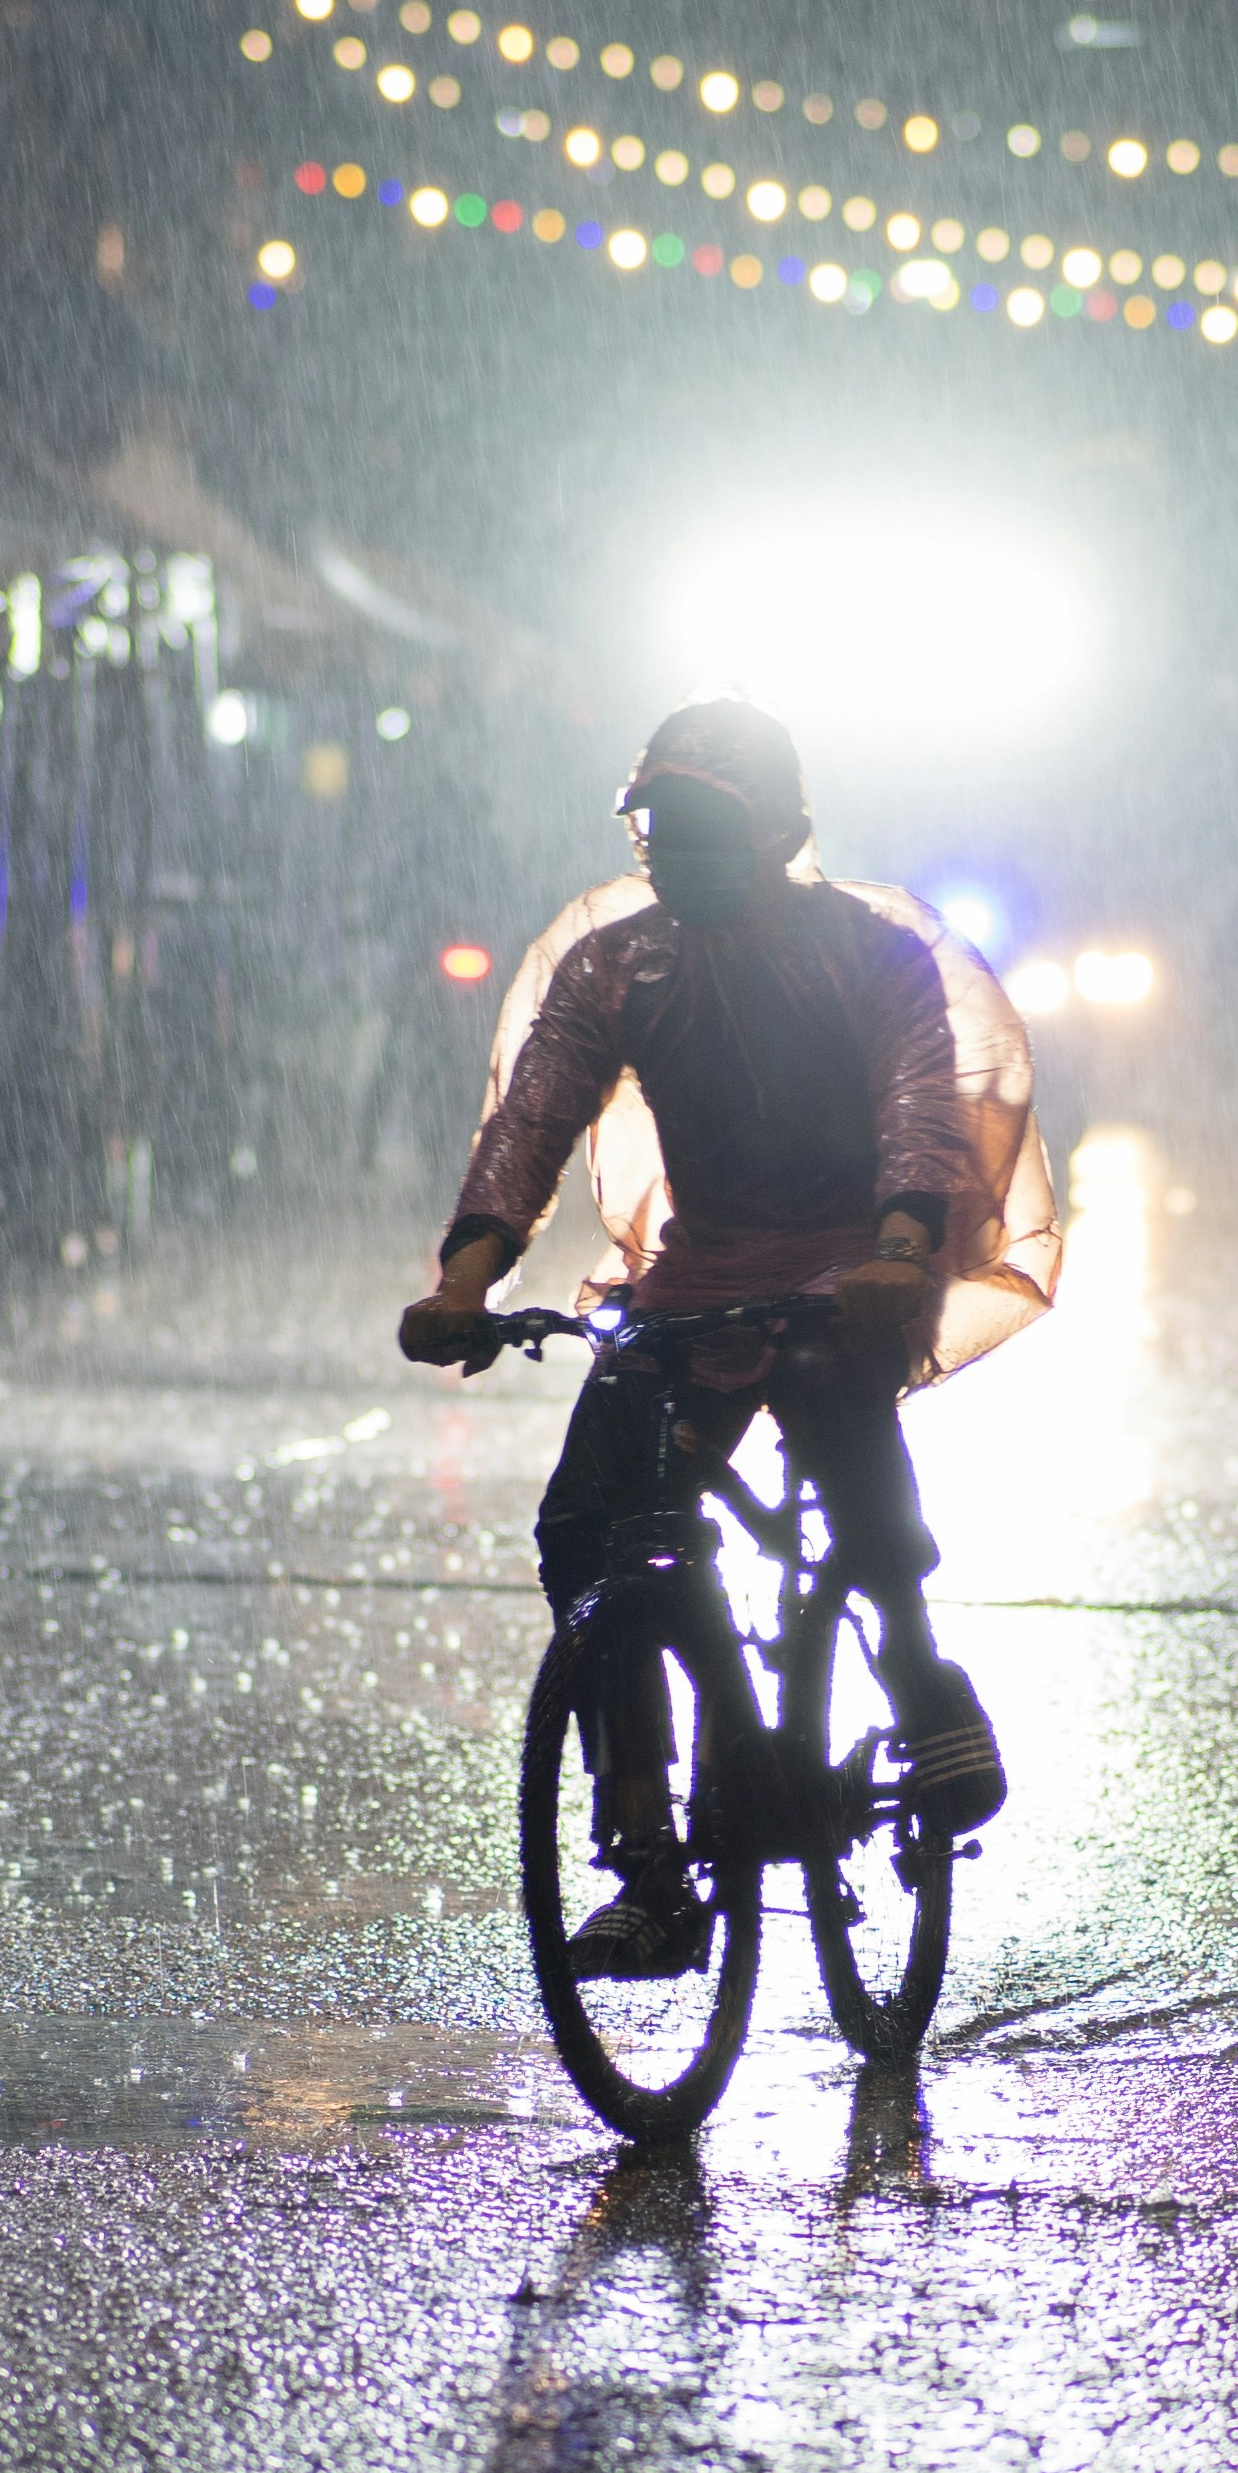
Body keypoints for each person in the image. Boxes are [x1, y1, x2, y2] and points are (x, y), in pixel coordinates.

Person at [401, 698, 1025, 1977]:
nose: (672, 850)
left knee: (858, 1488)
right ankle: (648, 1857)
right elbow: (529, 1123)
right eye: (655, 824)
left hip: (851, 1264)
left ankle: (917, 1678)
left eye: (703, 824)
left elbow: (919, 1108)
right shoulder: (615, 967)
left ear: (782, 831)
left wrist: (899, 1252)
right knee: (594, 1532)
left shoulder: (871, 957)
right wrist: (464, 1282)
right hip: (699, 1275)